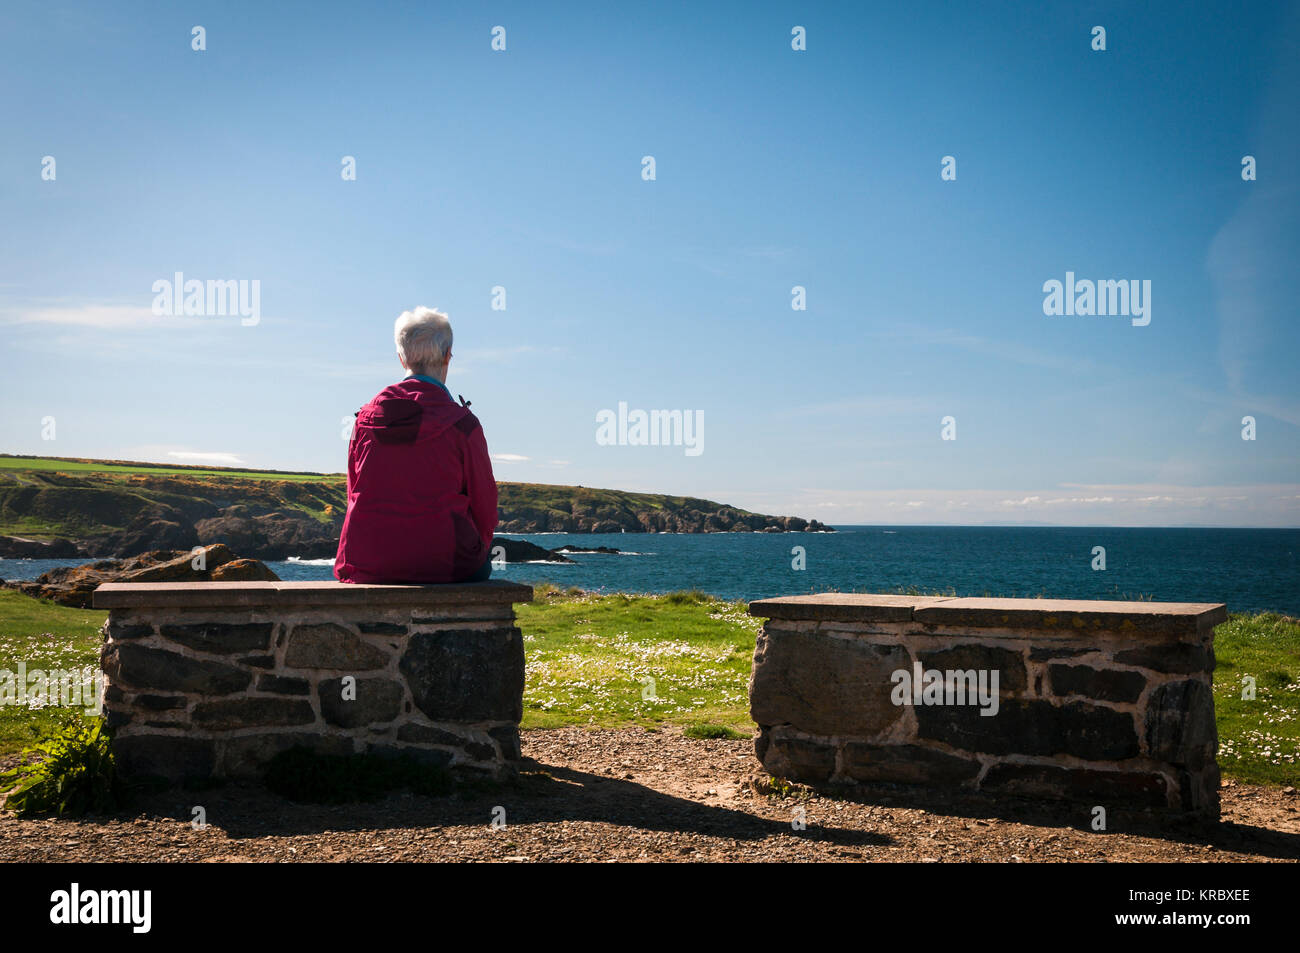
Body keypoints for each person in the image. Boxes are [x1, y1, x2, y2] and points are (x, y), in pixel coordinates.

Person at [334, 307, 497, 584]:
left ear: (401, 358)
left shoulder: (364, 421)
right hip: (447, 562)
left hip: (366, 562)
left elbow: (354, 491)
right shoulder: (463, 425)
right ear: (447, 355)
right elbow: (485, 507)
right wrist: (475, 549)